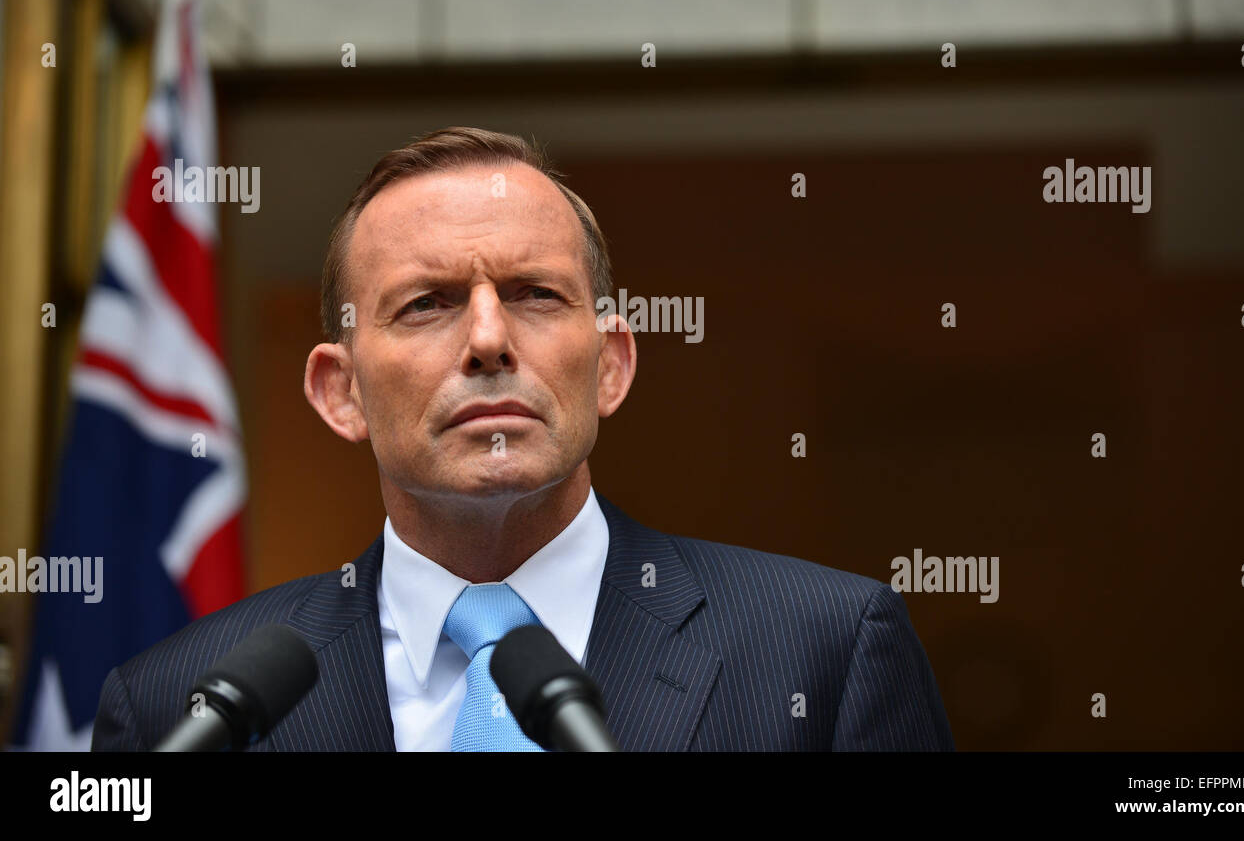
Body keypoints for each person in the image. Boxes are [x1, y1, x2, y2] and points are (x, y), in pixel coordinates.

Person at [92, 126, 954, 751]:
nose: (489, 339)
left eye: (536, 293)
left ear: (612, 364)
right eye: (426, 302)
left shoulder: (827, 649)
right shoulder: (176, 705)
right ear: (340, 391)